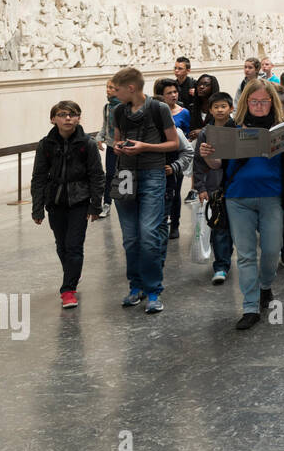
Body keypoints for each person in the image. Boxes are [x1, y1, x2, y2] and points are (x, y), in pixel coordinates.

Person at [200, 80, 284, 330]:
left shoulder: (282, 130)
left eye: (264, 101)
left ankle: (265, 286)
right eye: (254, 101)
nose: (259, 106)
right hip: (238, 199)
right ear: (246, 102)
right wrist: (208, 154)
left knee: (272, 250)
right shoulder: (231, 128)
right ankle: (249, 307)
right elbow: (217, 165)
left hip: (272, 196)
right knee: (246, 255)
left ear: (272, 103)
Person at [111, 67, 179, 313]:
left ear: (131, 88)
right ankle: (135, 286)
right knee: (130, 238)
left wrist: (144, 147)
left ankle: (153, 290)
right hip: (126, 173)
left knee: (149, 234)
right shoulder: (119, 111)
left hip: (152, 173)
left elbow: (173, 143)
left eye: (116, 89)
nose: (114, 93)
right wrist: (119, 147)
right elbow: (116, 139)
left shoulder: (158, 109)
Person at [31, 100, 104, 309]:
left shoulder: (87, 144)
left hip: (79, 201)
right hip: (55, 201)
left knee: (73, 245)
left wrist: (95, 205)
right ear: (53, 119)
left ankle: (68, 290)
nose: (68, 118)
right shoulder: (46, 144)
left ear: (79, 118)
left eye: (72, 114)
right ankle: (72, 273)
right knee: (61, 245)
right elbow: (39, 177)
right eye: (62, 114)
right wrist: (37, 207)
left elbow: (97, 175)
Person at [192, 91, 236, 284]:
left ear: (231, 108)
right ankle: (220, 266)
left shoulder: (237, 129)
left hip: (236, 186)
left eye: (223, 106)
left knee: (234, 227)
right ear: (210, 109)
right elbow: (198, 162)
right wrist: (200, 187)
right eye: (216, 107)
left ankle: (227, 255)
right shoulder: (205, 133)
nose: (219, 110)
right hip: (214, 187)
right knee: (219, 226)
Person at [155, 78, 191, 240]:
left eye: (175, 92)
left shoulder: (183, 113)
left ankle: (174, 224)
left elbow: (186, 140)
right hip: (156, 164)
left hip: (175, 160)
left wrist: (176, 165)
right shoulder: (155, 111)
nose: (173, 95)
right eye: (169, 93)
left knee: (174, 193)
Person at [95, 78, 121, 219]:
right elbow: (105, 126)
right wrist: (99, 138)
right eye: (107, 87)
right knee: (109, 174)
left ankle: (126, 201)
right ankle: (107, 203)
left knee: (124, 174)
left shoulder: (124, 106)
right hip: (111, 146)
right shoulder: (107, 107)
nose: (108, 90)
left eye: (111, 87)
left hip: (123, 147)